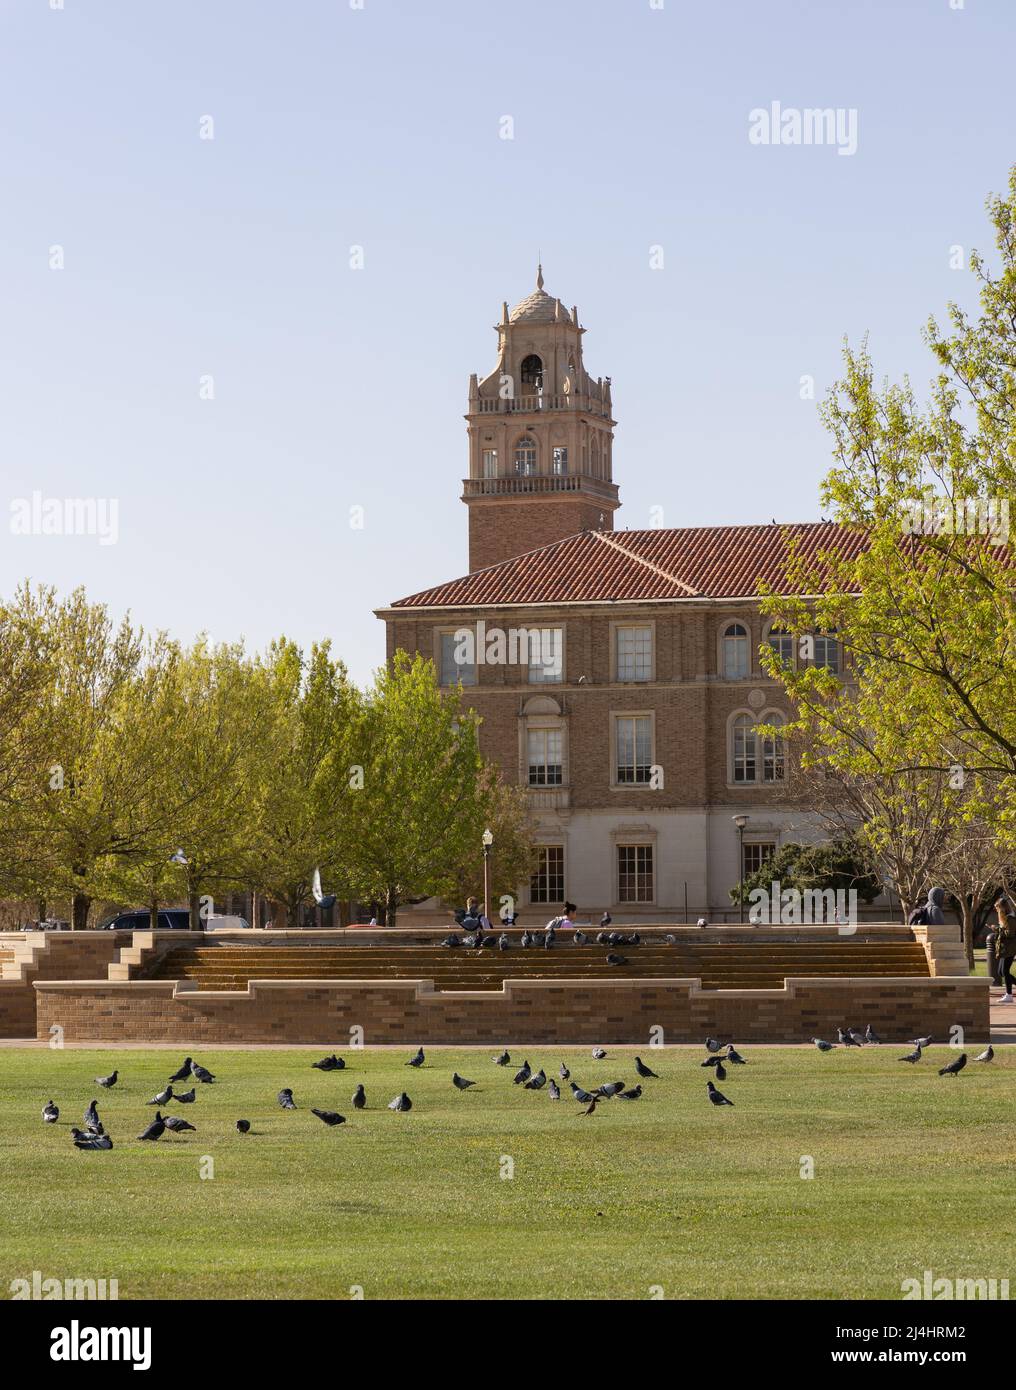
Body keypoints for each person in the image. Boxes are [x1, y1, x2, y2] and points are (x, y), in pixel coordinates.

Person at [994, 895, 1016, 1004]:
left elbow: (1010, 933)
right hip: (1005, 948)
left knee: (1005, 971)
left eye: (998, 909)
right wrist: (998, 928)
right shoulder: (1006, 918)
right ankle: (1008, 994)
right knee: (1000, 972)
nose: (997, 911)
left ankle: (1009, 994)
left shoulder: (1010, 918)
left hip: (1009, 948)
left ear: (1003, 908)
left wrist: (999, 929)